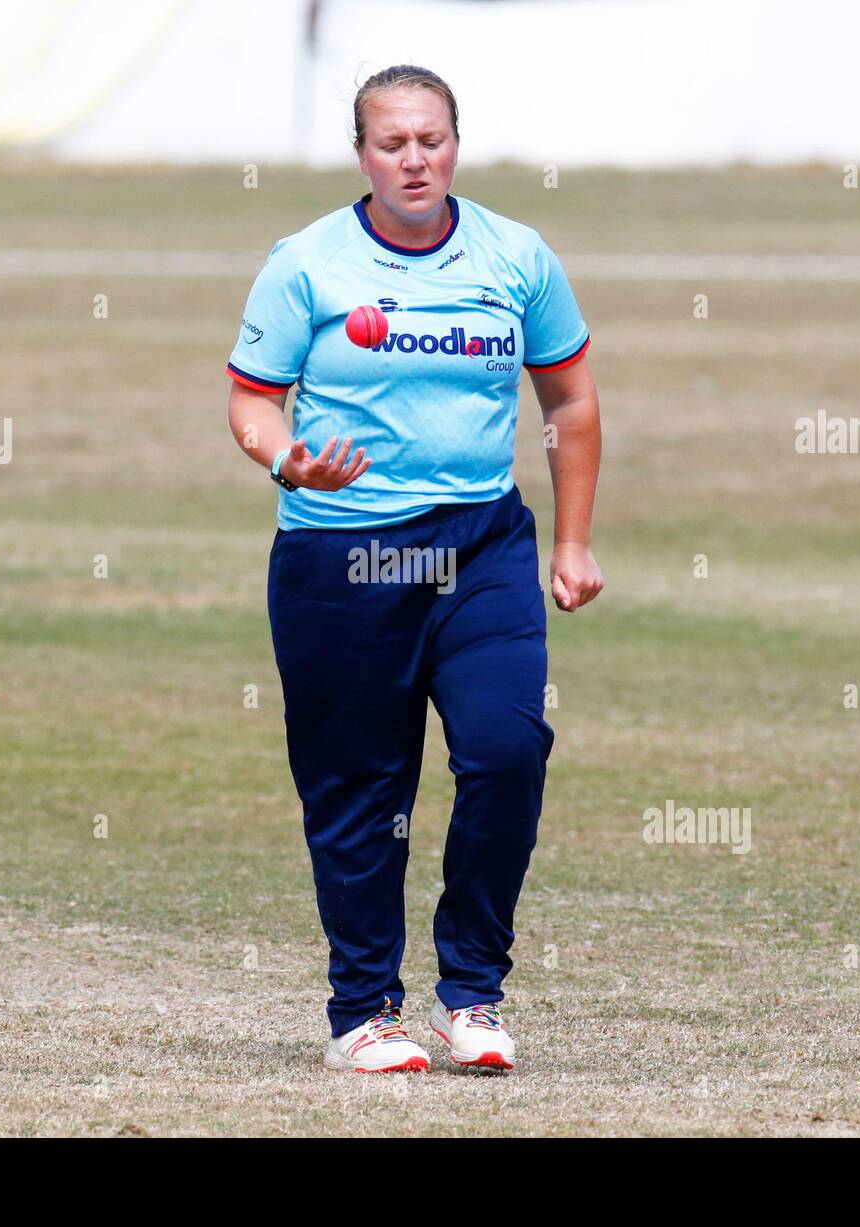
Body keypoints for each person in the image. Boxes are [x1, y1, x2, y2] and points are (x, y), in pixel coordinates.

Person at [225, 64, 603, 1072]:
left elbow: (570, 401)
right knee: (360, 789)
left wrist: (571, 542)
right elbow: (252, 400)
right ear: (362, 155)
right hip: (339, 557)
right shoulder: (306, 263)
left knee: (507, 750)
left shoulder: (516, 256)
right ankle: (364, 1012)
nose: (413, 160)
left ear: (455, 144)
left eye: (430, 140)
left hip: (480, 546)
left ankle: (471, 994)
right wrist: (286, 458)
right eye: (391, 143)